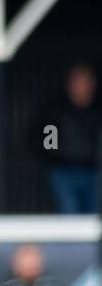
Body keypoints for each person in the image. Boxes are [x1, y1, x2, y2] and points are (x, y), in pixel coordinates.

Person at [40, 63, 100, 214]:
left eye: (85, 82)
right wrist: (54, 155)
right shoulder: (58, 108)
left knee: (93, 215)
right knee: (69, 213)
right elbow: (49, 132)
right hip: (65, 171)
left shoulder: (97, 109)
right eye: (78, 81)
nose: (81, 86)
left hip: (94, 170)